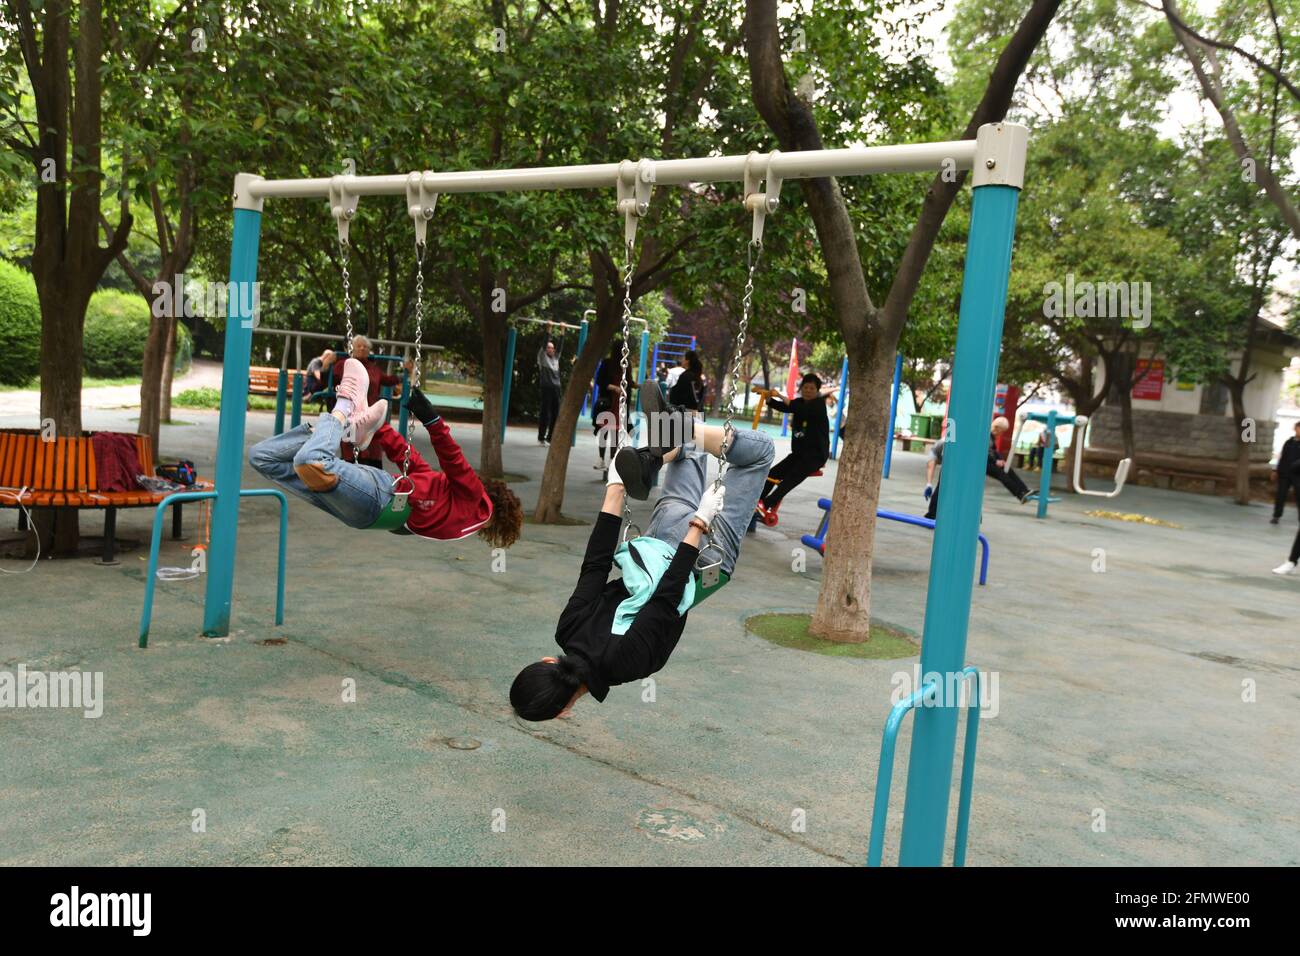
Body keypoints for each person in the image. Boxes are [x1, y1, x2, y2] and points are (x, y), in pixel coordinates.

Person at [509, 383, 775, 721]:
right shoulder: (567, 629)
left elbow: (666, 600)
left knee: (760, 454)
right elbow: (595, 565)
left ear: (564, 710)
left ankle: (665, 443)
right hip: (655, 541)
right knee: (689, 444)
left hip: (701, 554)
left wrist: (701, 520)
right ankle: (653, 456)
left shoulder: (623, 666)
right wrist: (615, 487)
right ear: (546, 662)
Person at [249, 358, 522, 545]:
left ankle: (343, 407)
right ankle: (327, 428)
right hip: (364, 516)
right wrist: (380, 430)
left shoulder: (476, 501)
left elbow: (454, 460)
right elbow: (414, 465)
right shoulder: (452, 516)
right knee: (262, 457)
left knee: (313, 462)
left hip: (382, 497)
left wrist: (432, 420)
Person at [754, 373, 835, 522]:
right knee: (773, 473)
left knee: (791, 478)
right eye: (805, 387)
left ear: (817, 390)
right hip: (799, 453)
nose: (808, 390)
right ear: (801, 388)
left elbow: (796, 408)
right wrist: (770, 400)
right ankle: (756, 501)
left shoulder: (818, 405)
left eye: (812, 388)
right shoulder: (799, 402)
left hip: (815, 455)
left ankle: (766, 504)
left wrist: (779, 395)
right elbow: (785, 407)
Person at [925, 416, 1030, 520]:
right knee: (945, 486)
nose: (1001, 434)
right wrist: (929, 484)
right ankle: (932, 514)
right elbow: (931, 466)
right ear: (997, 427)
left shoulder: (984, 434)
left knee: (1002, 472)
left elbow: (991, 451)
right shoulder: (938, 450)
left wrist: (999, 460)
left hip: (967, 459)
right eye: (1002, 431)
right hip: (961, 459)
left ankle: (1022, 492)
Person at [592, 340, 636, 474]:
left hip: (620, 404)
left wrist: (639, 385)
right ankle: (601, 459)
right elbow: (600, 381)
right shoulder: (607, 363)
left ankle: (611, 460)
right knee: (605, 431)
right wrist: (614, 388)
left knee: (615, 432)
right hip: (608, 402)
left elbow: (629, 382)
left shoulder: (626, 365)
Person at [1271, 421, 1300, 524]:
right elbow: (1282, 457)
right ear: (1295, 428)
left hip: (1298, 475)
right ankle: (1276, 516)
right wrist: (1276, 470)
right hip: (1285, 474)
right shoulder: (1289, 442)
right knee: (1281, 495)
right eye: (1298, 428)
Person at [537, 338, 562, 446]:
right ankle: (541, 438)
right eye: (548, 347)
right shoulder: (542, 358)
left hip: (556, 389)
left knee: (556, 414)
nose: (551, 349)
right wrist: (548, 330)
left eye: (552, 348)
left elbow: (560, 347)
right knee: (545, 413)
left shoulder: (556, 358)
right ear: (545, 349)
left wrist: (562, 332)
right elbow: (543, 346)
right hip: (546, 388)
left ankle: (550, 438)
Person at [668, 349, 705, 413]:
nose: (682, 360)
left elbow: (676, 395)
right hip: (698, 413)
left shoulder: (685, 376)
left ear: (687, 361)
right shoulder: (698, 377)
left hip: (686, 412)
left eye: (683, 358)